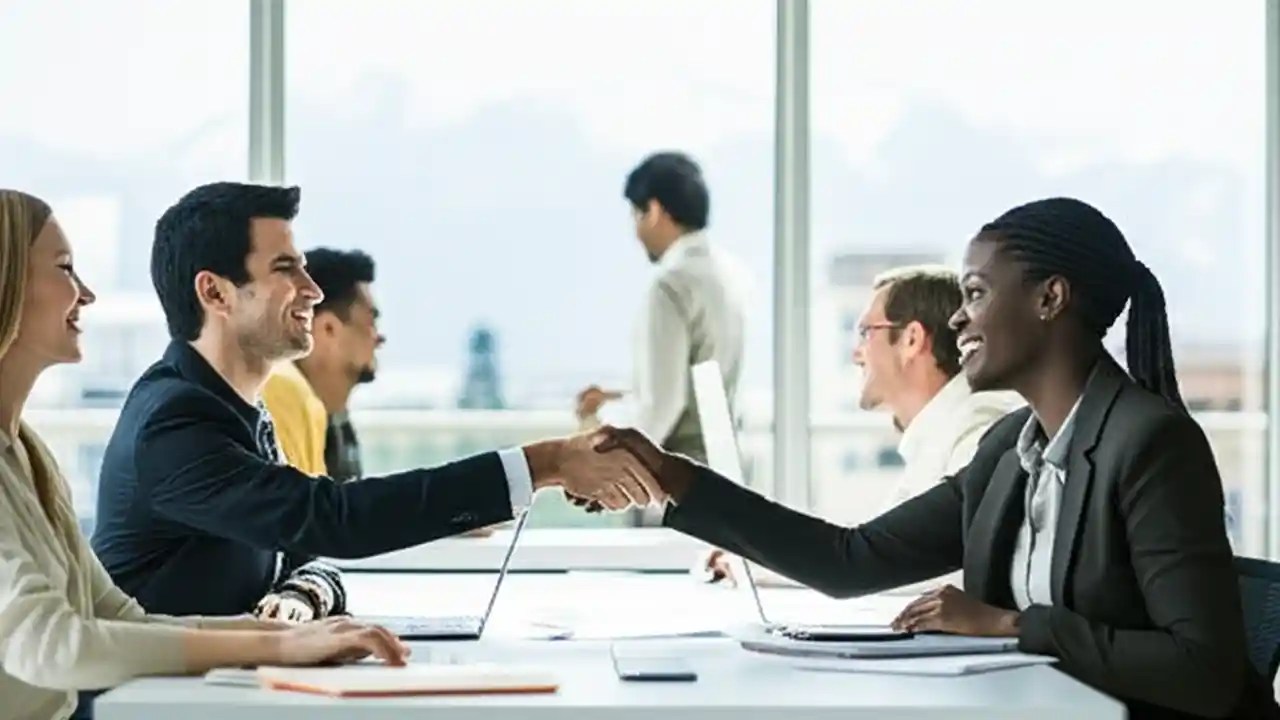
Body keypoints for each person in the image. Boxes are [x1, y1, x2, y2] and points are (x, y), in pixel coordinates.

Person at [598, 198, 1278, 719]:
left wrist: (1014, 625)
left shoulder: (1151, 445)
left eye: (977, 293)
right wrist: (672, 478)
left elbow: (1204, 671)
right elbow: (850, 560)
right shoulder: (1008, 454)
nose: (958, 319)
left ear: (1051, 298)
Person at [91, 182, 660, 624]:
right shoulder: (176, 422)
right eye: (286, 268)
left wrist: (304, 594)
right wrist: (547, 464)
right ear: (214, 291)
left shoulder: (240, 410)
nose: (312, 291)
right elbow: (333, 519)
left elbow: (304, 554)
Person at [0, 190, 412, 720]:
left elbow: (121, 617)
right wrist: (279, 646)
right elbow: (55, 646)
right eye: (64, 269)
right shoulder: (174, 417)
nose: (87, 294)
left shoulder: (28, 453)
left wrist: (286, 637)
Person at [704, 266, 1022, 587]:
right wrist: (761, 559)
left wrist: (761, 565)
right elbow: (875, 545)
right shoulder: (940, 431)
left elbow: (926, 569)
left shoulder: (981, 429)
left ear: (911, 339)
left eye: (866, 333)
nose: (857, 354)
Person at [575, 151, 749, 465]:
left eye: (635, 216)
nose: (636, 232)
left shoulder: (671, 285)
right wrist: (623, 398)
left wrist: (609, 465)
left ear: (653, 211)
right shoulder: (728, 275)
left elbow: (662, 407)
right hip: (724, 472)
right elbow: (702, 383)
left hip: (678, 482)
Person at [261, 247, 382, 482]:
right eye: (371, 322)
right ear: (328, 329)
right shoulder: (281, 392)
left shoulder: (335, 423)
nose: (379, 338)